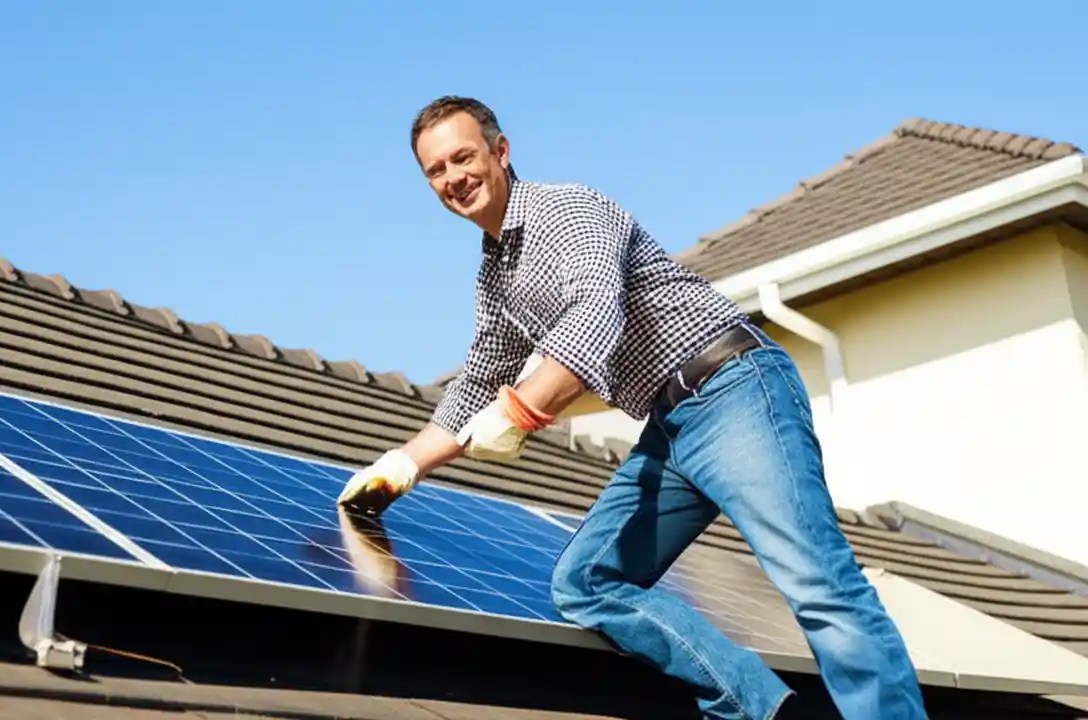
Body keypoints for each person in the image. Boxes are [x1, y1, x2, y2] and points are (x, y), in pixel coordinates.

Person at [337, 95, 927, 720]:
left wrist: (521, 413)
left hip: (732, 388)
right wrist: (398, 468)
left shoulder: (568, 211)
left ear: (500, 152)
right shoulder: (496, 276)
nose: (454, 177)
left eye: (463, 156)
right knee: (586, 581)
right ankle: (768, 711)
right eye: (436, 170)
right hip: (670, 426)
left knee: (816, 584)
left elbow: (595, 315)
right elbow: (480, 380)